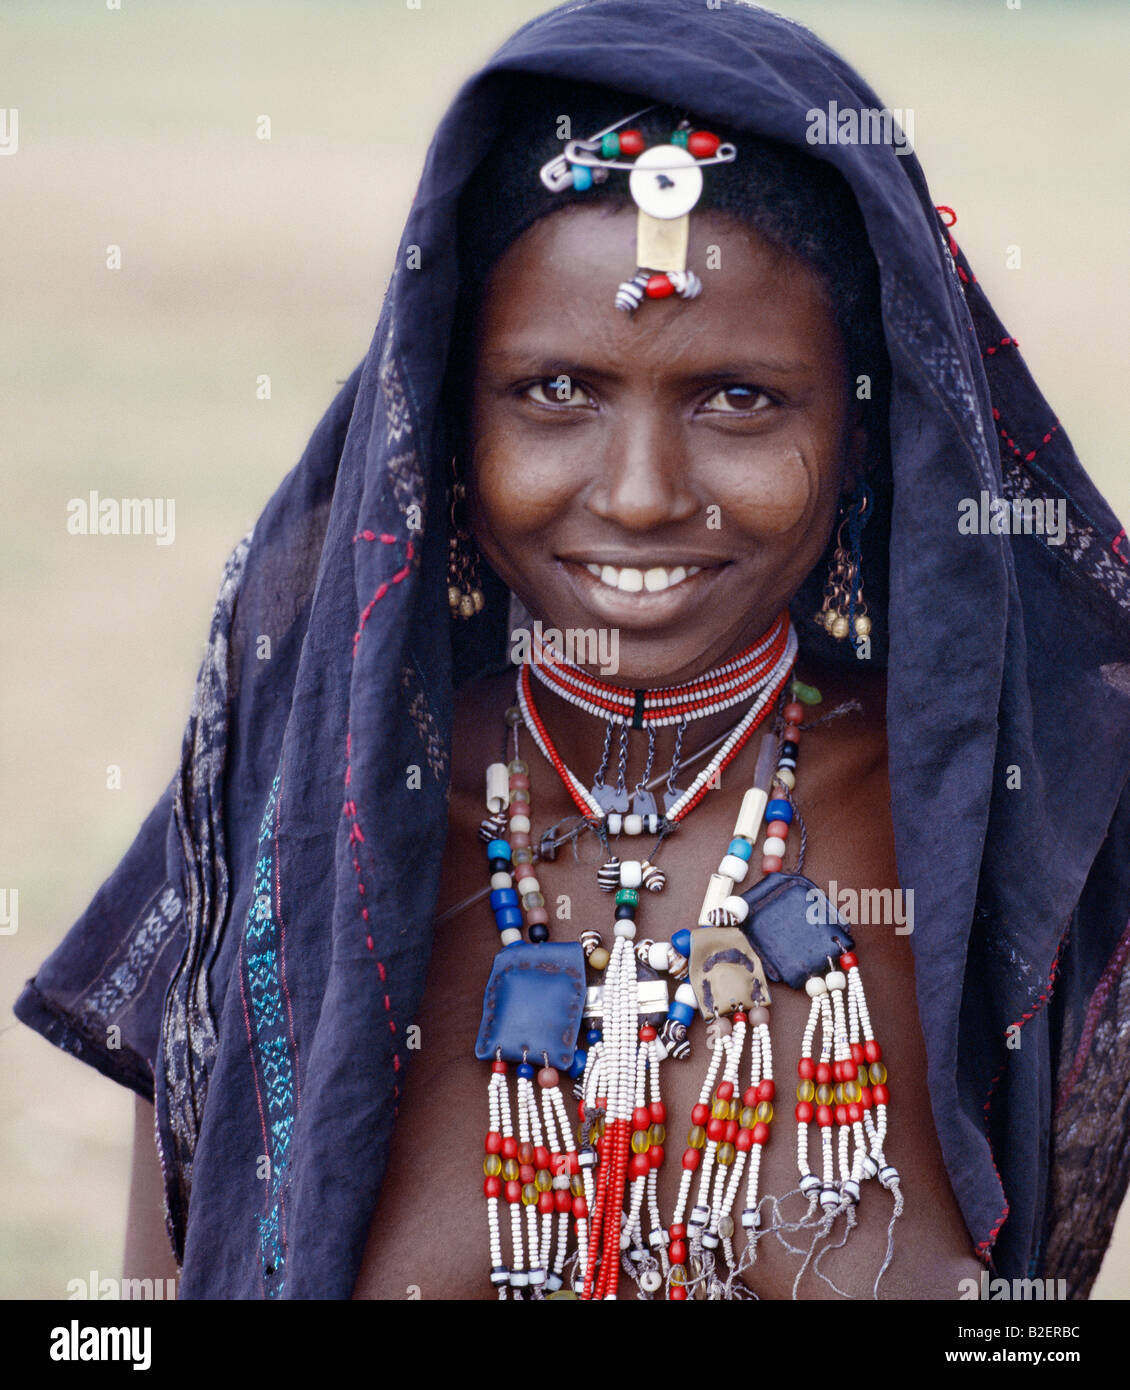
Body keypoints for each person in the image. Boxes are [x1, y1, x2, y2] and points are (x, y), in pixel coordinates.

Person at [14, 0, 1130, 1301]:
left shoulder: (1023, 827)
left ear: (866, 436)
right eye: (555, 392)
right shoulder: (293, 822)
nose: (645, 493)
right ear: (438, 427)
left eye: (738, 397)